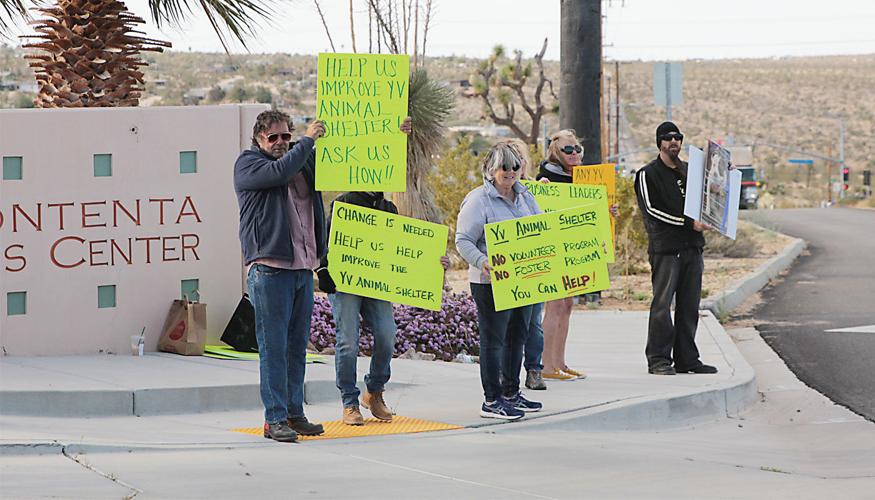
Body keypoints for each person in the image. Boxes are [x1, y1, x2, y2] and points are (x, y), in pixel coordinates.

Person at [316, 120, 451, 426]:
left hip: (376, 285)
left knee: (387, 335)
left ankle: (374, 390)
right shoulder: (343, 203)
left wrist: (434, 263)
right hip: (345, 284)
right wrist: (323, 269)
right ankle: (349, 401)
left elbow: (402, 251)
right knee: (347, 341)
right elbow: (326, 243)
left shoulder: (389, 209)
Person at [234, 110, 327, 442]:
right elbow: (280, 171)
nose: (280, 142)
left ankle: (294, 413)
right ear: (259, 138)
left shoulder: (303, 161)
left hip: (302, 268)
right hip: (270, 270)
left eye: (286, 136)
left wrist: (395, 135)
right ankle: (274, 419)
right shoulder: (249, 165)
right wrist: (307, 141)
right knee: (273, 347)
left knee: (296, 347)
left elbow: (350, 161)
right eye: (272, 137)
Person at [456, 141, 543, 420]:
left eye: (514, 166)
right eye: (503, 166)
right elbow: (463, 240)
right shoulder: (478, 200)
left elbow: (542, 229)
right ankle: (492, 400)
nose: (510, 171)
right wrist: (482, 262)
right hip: (490, 283)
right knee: (494, 340)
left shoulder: (526, 196)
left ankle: (511, 392)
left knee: (518, 336)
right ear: (490, 169)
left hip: (523, 281)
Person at [633, 121, 718, 376]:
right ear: (659, 142)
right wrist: (688, 223)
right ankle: (658, 359)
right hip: (667, 250)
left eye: (677, 137)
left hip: (693, 247)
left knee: (689, 305)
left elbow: (709, 193)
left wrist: (726, 176)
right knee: (662, 306)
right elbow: (652, 210)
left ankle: (687, 359)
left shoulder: (689, 170)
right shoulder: (647, 174)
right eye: (668, 137)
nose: (673, 141)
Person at [535, 129, 589, 382]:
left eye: (577, 149)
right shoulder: (546, 179)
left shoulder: (583, 180)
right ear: (556, 152)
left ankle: (560, 362)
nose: (574, 153)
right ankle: (545, 364)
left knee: (568, 304)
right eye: (568, 149)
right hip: (553, 249)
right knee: (554, 305)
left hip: (574, 249)